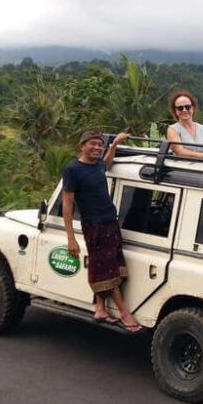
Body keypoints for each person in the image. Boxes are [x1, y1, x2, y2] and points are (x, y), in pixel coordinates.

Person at [62, 130, 143, 333]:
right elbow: (67, 204)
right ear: (82, 146)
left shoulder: (98, 164)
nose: (97, 148)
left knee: (106, 266)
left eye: (100, 144)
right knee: (106, 269)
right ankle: (124, 313)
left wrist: (114, 144)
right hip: (93, 225)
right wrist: (71, 238)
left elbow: (107, 163)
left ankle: (100, 308)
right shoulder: (73, 169)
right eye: (93, 144)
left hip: (110, 221)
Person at [166, 89, 203, 160]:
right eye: (180, 108)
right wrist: (202, 155)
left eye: (187, 107)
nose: (184, 110)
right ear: (175, 111)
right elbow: (179, 151)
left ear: (193, 108)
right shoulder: (172, 129)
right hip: (184, 169)